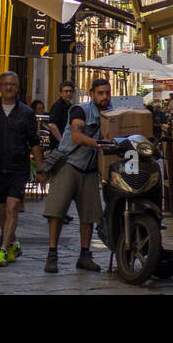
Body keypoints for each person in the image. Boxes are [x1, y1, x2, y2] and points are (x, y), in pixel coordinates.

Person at [42, 76, 113, 274]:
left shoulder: (112, 113)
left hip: (90, 169)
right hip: (69, 164)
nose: (104, 97)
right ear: (92, 94)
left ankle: (84, 255)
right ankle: (52, 254)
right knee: (57, 211)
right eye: (100, 93)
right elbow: (77, 136)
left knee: (88, 214)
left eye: (107, 93)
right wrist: (100, 144)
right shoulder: (80, 109)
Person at [0, 70, 44, 267]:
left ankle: (3, 250)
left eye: (12, 84)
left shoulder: (27, 113)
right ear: (0, 87)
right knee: (1, 211)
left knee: (12, 208)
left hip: (18, 168)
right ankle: (13, 243)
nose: (9, 87)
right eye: (5, 84)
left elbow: (34, 142)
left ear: (17, 87)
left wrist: (40, 169)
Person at [47, 79, 75, 144]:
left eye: (71, 91)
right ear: (60, 93)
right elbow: (52, 125)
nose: (69, 93)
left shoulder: (70, 106)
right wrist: (61, 141)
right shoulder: (58, 106)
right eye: (66, 91)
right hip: (58, 144)